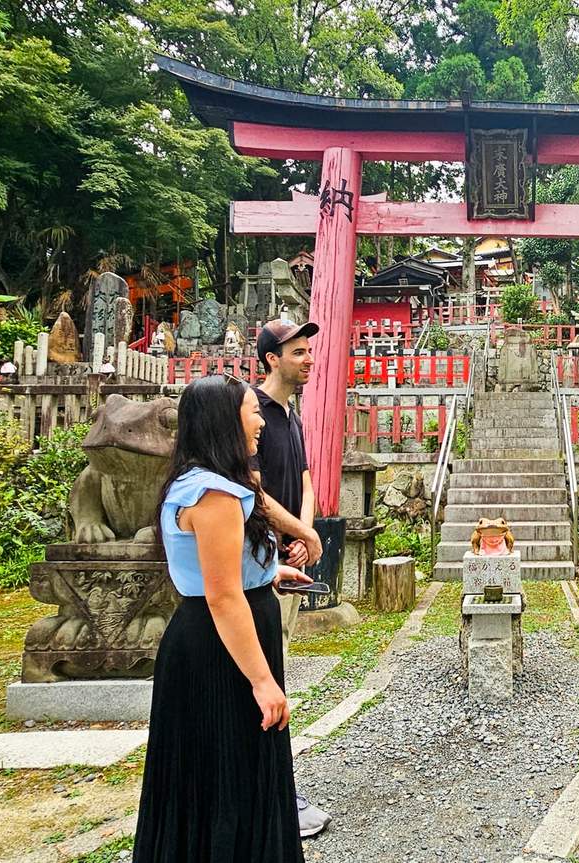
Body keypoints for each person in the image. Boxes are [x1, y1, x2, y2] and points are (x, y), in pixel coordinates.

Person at [134, 374, 312, 863]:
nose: (260, 421)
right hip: (220, 648)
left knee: (222, 767)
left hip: (220, 635)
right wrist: (262, 680)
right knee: (226, 767)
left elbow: (216, 567)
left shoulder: (205, 481)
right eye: (253, 411)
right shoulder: (214, 495)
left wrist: (268, 571)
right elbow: (222, 596)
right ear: (224, 421)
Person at [253, 318, 331, 838]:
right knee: (264, 677)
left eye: (308, 350)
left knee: (278, 666)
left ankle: (276, 785)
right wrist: (300, 531)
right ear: (270, 359)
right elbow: (250, 490)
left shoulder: (291, 415)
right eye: (298, 352)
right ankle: (274, 795)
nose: (307, 359)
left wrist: (304, 533)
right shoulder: (249, 413)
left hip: (289, 560)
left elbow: (303, 476)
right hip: (258, 562)